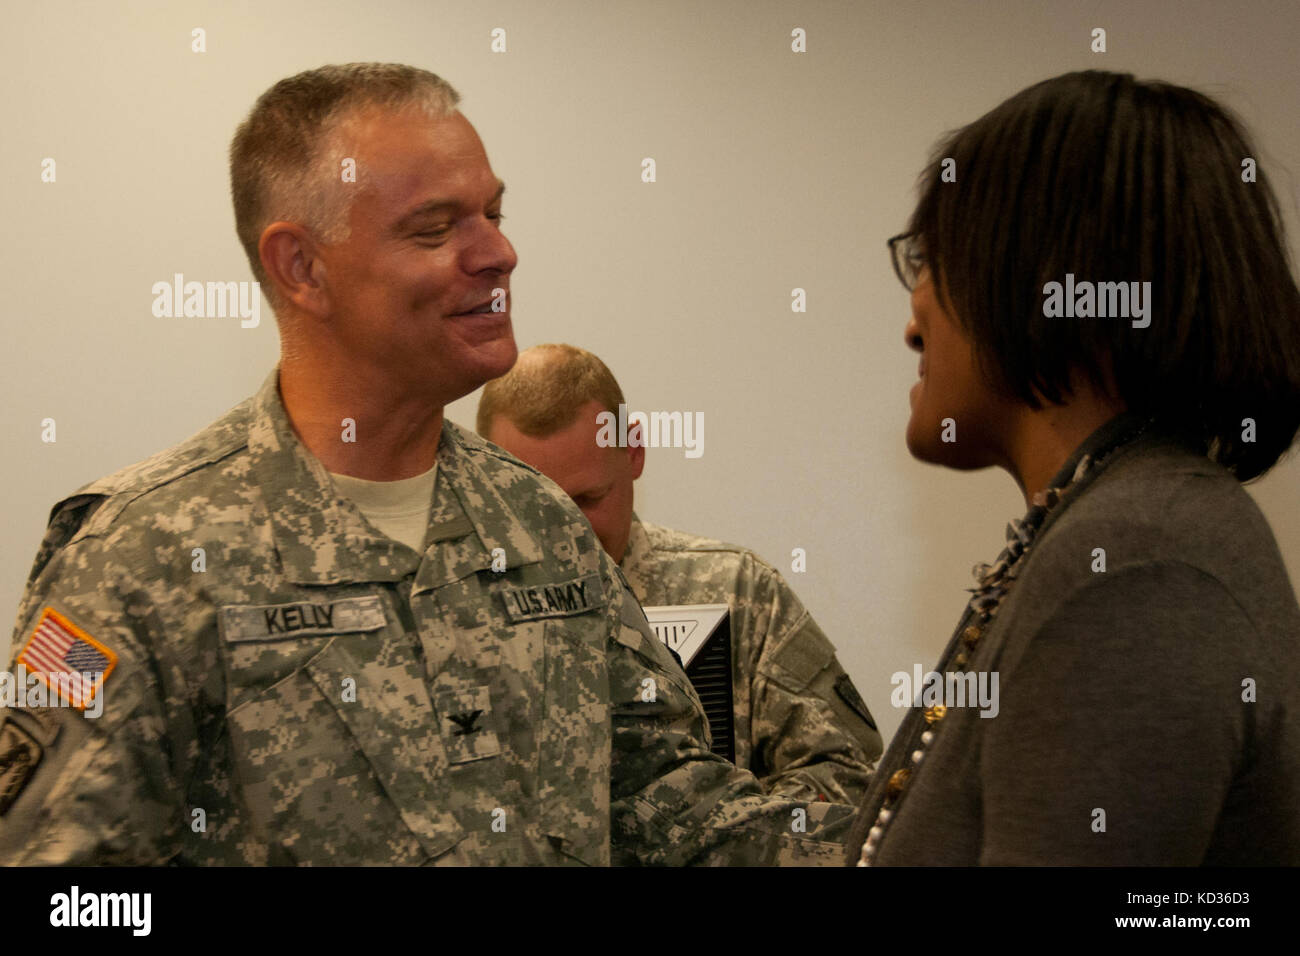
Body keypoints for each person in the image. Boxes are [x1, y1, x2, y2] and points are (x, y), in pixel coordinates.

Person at [0, 63, 855, 866]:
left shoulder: (540, 525)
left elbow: (670, 802)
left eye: (495, 214)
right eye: (437, 228)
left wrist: (910, 828)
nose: (496, 254)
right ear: (301, 267)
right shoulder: (136, 555)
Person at [849, 70, 1300, 866]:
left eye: (936, 255)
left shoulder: (1137, 562)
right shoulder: (1120, 526)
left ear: (1047, 280)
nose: (913, 318)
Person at [477, 344, 883, 804]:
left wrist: (711, 832)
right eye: (537, 509)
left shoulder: (737, 592)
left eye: (589, 499)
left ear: (633, 453)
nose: (571, 533)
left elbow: (849, 775)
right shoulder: (456, 607)